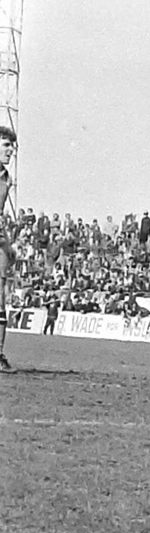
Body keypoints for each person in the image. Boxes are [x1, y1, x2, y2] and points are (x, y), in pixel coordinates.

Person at [0, 127, 15, 372]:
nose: (10, 150)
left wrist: (8, 243)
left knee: (0, 295)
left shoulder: (6, 177)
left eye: (12, 146)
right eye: (5, 145)